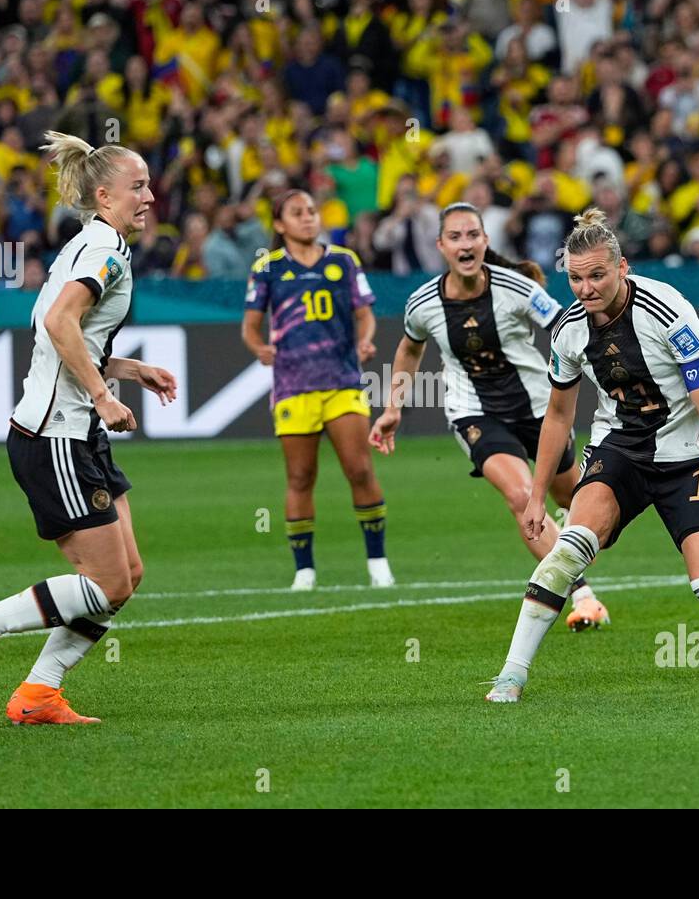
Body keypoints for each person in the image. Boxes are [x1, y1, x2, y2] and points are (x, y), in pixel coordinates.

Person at [484, 209, 699, 703]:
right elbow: (558, 415)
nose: (586, 288)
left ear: (622, 268)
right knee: (568, 550)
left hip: (688, 457)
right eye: (576, 278)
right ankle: (511, 677)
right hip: (618, 450)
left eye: (597, 275)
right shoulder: (567, 330)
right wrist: (536, 496)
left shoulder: (666, 310)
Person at [0, 131, 178, 725]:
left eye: (148, 183)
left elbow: (63, 333)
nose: (149, 196)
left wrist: (128, 368)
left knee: (127, 576)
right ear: (103, 195)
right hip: (56, 436)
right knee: (103, 583)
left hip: (76, 432)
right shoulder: (105, 250)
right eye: (137, 186)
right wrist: (103, 393)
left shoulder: (96, 242)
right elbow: (59, 319)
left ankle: (40, 693)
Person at [370, 202, 611, 630]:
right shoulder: (422, 303)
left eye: (473, 235)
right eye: (456, 237)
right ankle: (584, 595)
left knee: (571, 499)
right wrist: (393, 407)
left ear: (485, 241)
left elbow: (563, 325)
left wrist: (606, 378)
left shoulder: (516, 288)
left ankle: (578, 544)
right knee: (522, 498)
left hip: (540, 410)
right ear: (441, 245)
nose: (466, 244)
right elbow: (410, 348)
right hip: (475, 414)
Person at [242, 189, 393, 591]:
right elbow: (250, 325)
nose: (309, 218)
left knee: (359, 469)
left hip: (342, 380)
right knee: (300, 476)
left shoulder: (344, 260)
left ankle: (378, 562)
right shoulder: (268, 267)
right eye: (297, 213)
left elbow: (365, 315)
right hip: (293, 386)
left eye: (311, 210)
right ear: (279, 224)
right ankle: (304, 570)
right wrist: (259, 348)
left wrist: (366, 340)